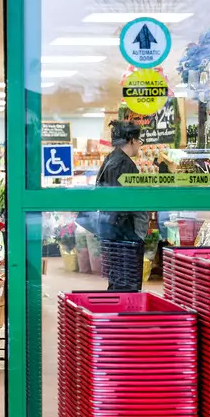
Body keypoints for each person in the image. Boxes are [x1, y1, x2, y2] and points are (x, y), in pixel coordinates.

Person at [92, 120, 148, 291]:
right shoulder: (124, 164)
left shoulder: (111, 159)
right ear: (131, 139)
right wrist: (138, 235)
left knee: (118, 281)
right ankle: (125, 318)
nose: (139, 144)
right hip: (125, 234)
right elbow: (129, 202)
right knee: (127, 285)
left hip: (113, 231)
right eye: (139, 140)